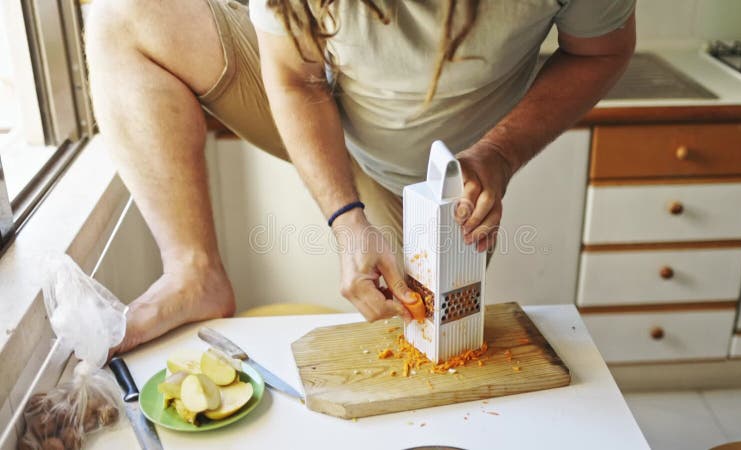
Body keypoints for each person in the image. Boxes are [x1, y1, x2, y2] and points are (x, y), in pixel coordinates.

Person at [85, 0, 636, 354]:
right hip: (322, 101)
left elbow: (601, 50)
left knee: (430, 341)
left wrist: (501, 151)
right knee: (122, 16)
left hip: (433, 177)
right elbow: (295, 78)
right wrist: (347, 221)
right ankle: (193, 274)